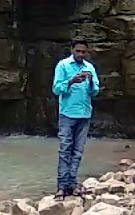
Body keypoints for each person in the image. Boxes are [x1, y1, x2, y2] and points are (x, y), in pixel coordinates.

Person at [52, 38, 100, 197]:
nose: (81, 54)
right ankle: (61, 185)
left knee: (78, 151)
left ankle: (71, 185)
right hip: (67, 114)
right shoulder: (63, 65)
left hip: (84, 114)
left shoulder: (89, 68)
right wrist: (71, 81)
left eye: (83, 52)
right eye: (78, 51)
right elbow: (56, 89)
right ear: (72, 50)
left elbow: (95, 92)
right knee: (65, 149)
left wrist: (91, 81)